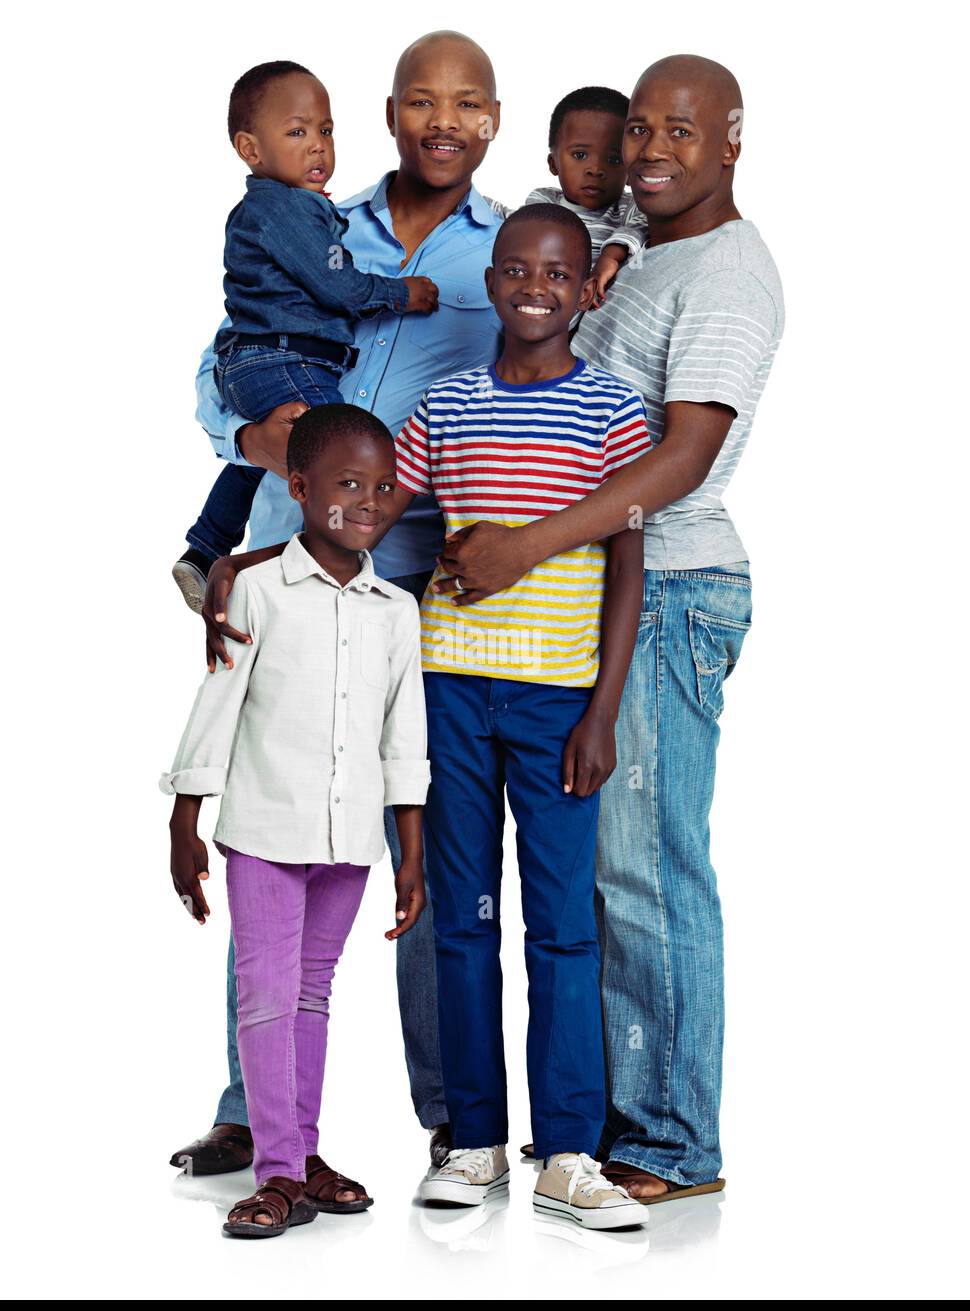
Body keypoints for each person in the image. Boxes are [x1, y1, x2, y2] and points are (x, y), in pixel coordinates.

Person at [432, 55, 785, 1205]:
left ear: (730, 140)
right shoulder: (635, 241)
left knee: (645, 872)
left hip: (667, 587)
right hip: (568, 607)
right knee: (591, 876)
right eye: (636, 128)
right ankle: (593, 1122)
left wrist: (525, 543)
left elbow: (679, 458)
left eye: (680, 130)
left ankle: (673, 1141)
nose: (650, 151)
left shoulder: (726, 273)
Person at [173, 30, 504, 1182]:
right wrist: (252, 436)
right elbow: (219, 365)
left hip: (418, 582)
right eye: (421, 100)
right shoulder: (315, 216)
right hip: (282, 561)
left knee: (424, 834)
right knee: (268, 829)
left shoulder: (508, 252)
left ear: (491, 120)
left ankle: (453, 1117)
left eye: (466, 103)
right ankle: (252, 1112)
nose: (442, 121)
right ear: (391, 112)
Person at [391, 204, 654, 1229]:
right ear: (491, 280)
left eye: (555, 273)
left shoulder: (612, 411)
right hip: (448, 688)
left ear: (585, 289)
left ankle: (571, 1152)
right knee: (460, 920)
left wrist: (603, 710)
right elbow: (374, 511)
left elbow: (626, 565)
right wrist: (258, 558)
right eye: (514, 269)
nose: (533, 287)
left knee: (562, 927)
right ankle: (474, 1142)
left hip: (558, 703)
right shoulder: (447, 405)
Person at [161, 405, 431, 1237]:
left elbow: (403, 734)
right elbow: (219, 702)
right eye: (348, 484)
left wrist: (410, 852)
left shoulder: (395, 610)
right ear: (301, 488)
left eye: (383, 487)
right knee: (267, 997)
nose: (369, 502)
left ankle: (299, 1155)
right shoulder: (255, 589)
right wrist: (184, 819)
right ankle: (278, 1171)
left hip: (349, 841)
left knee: (312, 996)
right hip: (264, 833)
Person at [171, 60, 437, 613]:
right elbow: (338, 286)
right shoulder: (286, 207)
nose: (318, 145)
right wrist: (401, 294)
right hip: (281, 358)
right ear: (250, 149)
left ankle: (205, 548)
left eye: (326, 130)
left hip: (265, 361)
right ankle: (327, 563)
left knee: (274, 453)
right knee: (341, 451)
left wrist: (250, 441)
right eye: (297, 132)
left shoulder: (284, 207)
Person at [485, 85, 647, 302]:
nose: (595, 169)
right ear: (554, 164)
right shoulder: (545, 202)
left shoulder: (628, 208)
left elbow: (644, 224)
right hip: (538, 305)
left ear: (630, 170)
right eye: (580, 155)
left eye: (613, 159)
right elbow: (511, 221)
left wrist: (611, 255)